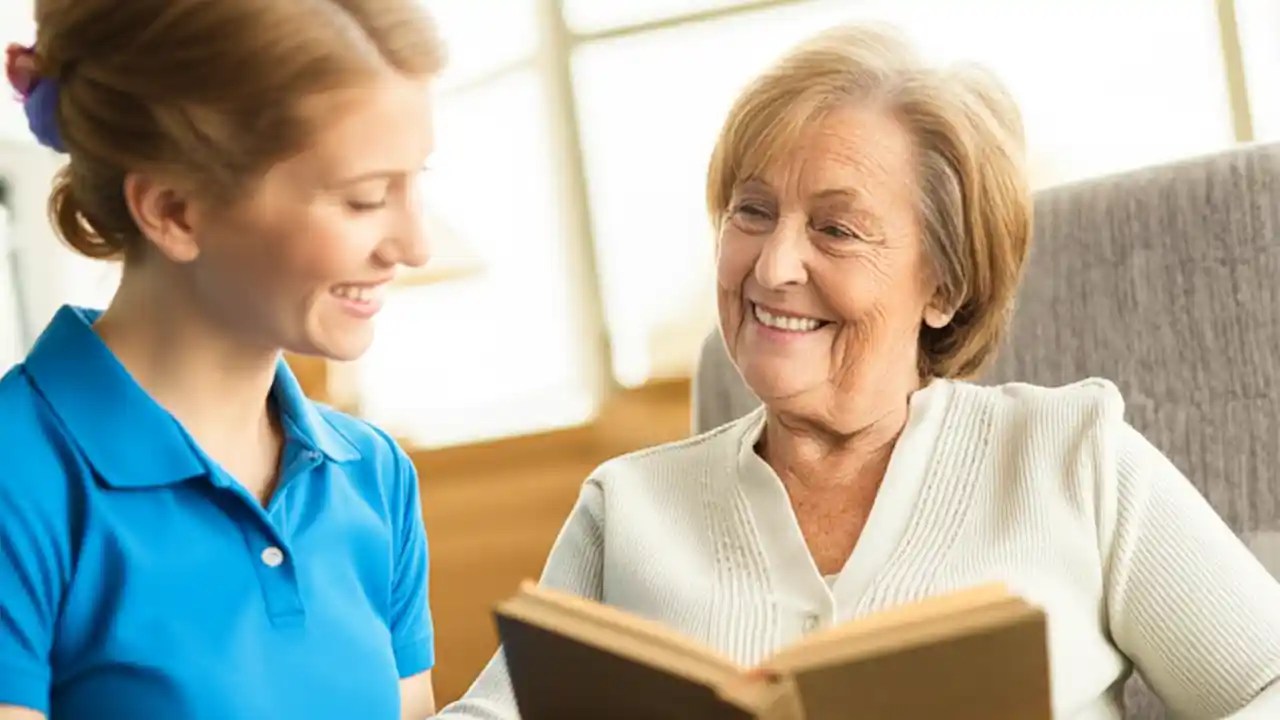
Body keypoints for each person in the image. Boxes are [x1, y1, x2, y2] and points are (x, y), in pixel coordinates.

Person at [437, 23, 1280, 720]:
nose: (772, 269)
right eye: (753, 213)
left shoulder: (1074, 458)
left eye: (836, 230)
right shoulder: (626, 509)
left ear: (945, 286)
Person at [0, 2, 445, 719]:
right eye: (364, 199)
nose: (415, 245)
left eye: (414, 181)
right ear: (175, 210)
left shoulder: (373, 476)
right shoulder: (17, 479)